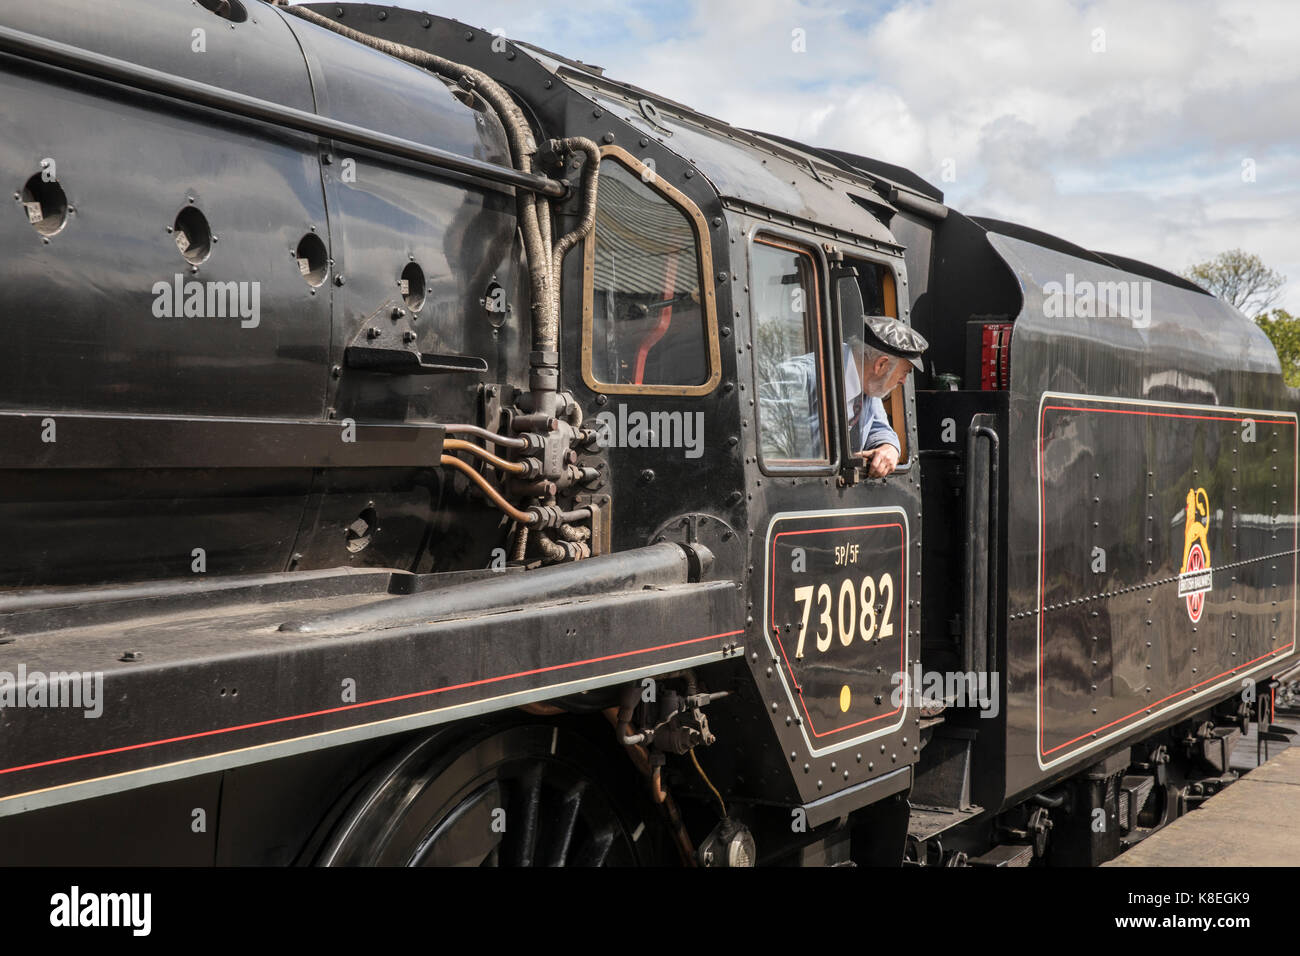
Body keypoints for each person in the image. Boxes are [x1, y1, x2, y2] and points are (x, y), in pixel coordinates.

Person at [848, 314, 928, 478]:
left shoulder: (869, 385)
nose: (904, 381)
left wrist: (888, 447)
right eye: (904, 372)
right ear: (881, 365)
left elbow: (880, 429)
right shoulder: (803, 380)